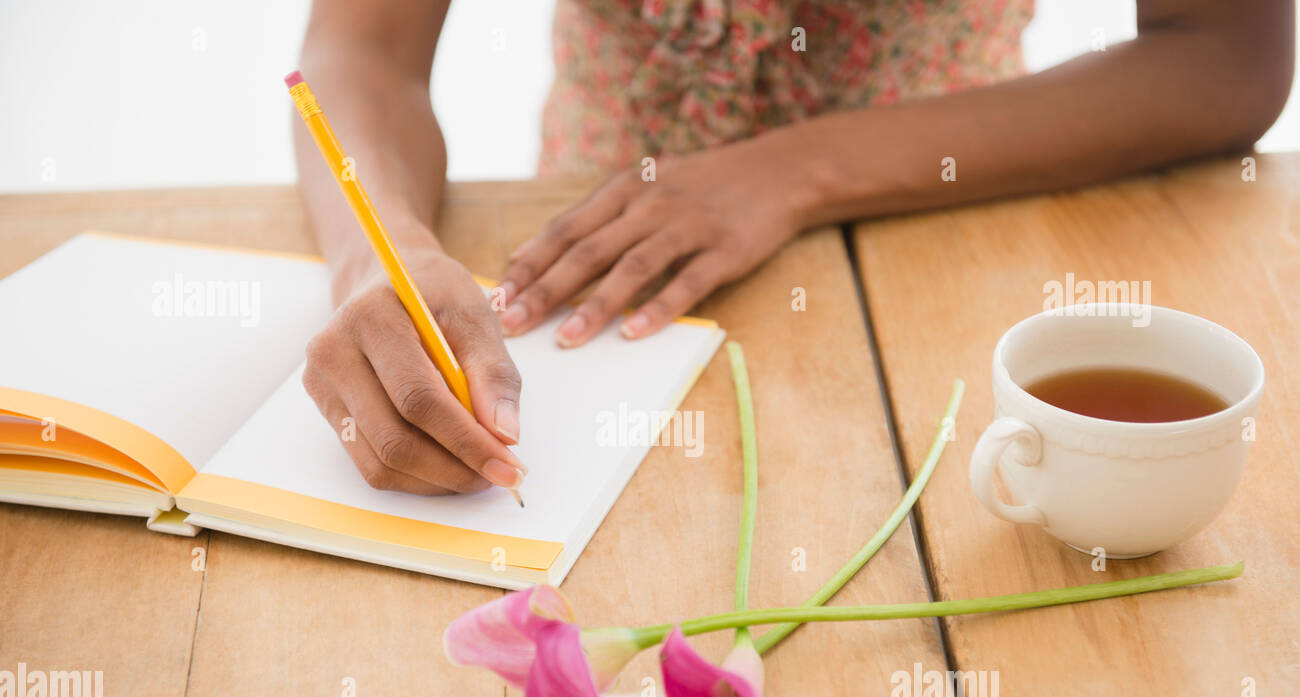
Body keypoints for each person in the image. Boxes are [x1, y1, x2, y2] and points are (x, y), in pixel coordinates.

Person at [293, 0, 1293, 496]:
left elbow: (1223, 55)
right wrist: (378, 255)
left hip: (956, 229)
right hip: (589, 269)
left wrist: (791, 171)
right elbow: (364, 51)